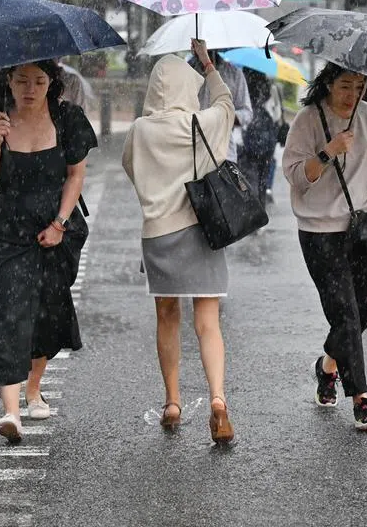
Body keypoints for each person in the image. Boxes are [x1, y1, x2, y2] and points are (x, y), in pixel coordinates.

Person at [0, 60, 97, 444]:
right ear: (8, 80)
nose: (30, 89)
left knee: (48, 313)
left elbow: (75, 175)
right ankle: (9, 411)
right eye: (22, 80)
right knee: (9, 312)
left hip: (56, 226)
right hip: (7, 232)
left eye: (39, 81)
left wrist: (59, 224)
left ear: (50, 83)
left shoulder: (67, 117)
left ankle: (33, 388)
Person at [122, 40, 236, 444]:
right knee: (208, 322)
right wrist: (207, 65)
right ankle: (218, 402)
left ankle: (172, 403)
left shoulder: (139, 131)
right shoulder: (201, 122)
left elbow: (131, 170)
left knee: (167, 317)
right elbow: (226, 104)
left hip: (159, 235)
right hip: (200, 231)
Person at [282, 63, 367, 431]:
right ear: (328, 85)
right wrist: (327, 151)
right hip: (319, 232)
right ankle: (362, 401)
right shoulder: (307, 120)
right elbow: (297, 178)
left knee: (360, 315)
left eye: (359, 86)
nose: (352, 95)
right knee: (346, 316)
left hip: (362, 228)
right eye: (345, 86)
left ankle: (327, 366)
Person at [191, 50, 252, 162]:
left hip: (223, 154)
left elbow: (246, 112)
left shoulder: (234, 73)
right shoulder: (187, 70)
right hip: (191, 152)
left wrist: (226, 115)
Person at [238, 69, 279, 205]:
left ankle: (251, 207)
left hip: (247, 142)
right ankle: (261, 206)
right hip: (266, 141)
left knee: (247, 176)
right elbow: (277, 115)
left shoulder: (242, 84)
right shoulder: (269, 88)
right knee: (263, 176)